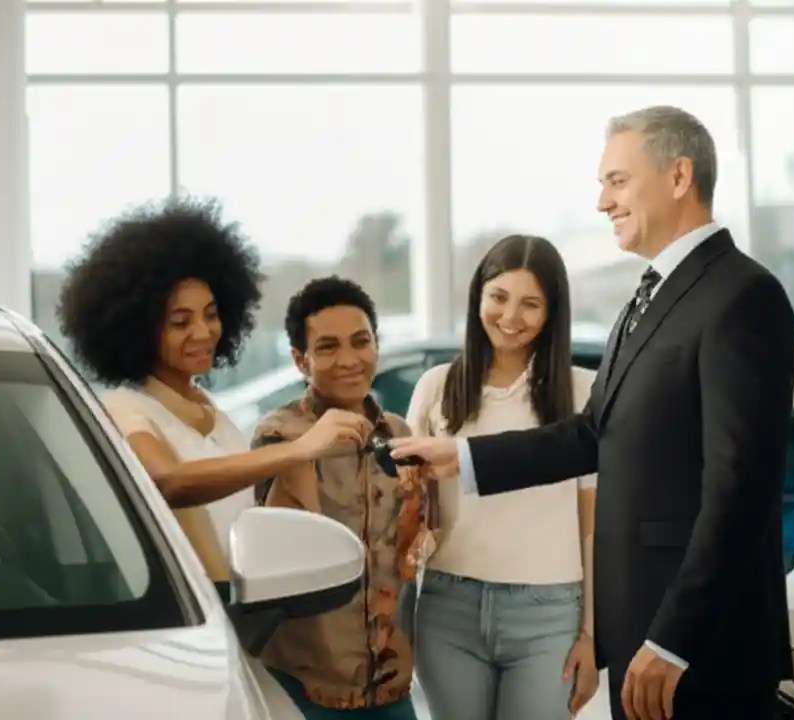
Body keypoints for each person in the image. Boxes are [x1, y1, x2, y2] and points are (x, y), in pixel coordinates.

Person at [390, 106, 794, 720]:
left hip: (701, 646)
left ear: (679, 176)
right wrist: (462, 457)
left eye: (616, 180)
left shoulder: (742, 296)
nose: (603, 203)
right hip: (649, 629)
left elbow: (741, 491)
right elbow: (593, 434)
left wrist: (674, 639)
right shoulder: (652, 295)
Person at [57, 198, 372, 600]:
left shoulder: (209, 407)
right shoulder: (125, 406)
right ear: (135, 328)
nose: (204, 331)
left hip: (235, 620)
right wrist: (299, 449)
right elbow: (166, 482)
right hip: (185, 623)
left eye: (210, 314)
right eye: (180, 322)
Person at [404, 234, 600, 719]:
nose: (511, 317)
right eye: (499, 297)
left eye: (530, 304)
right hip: (448, 608)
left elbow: (592, 524)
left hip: (549, 614)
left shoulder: (582, 392)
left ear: (552, 312)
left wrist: (592, 635)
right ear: (478, 298)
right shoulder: (437, 387)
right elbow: (408, 513)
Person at [250, 276, 434, 720]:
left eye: (361, 342)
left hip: (389, 679)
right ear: (300, 359)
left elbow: (416, 543)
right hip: (309, 683)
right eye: (328, 347)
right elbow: (290, 552)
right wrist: (313, 445)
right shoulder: (282, 436)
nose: (349, 360)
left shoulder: (400, 434)